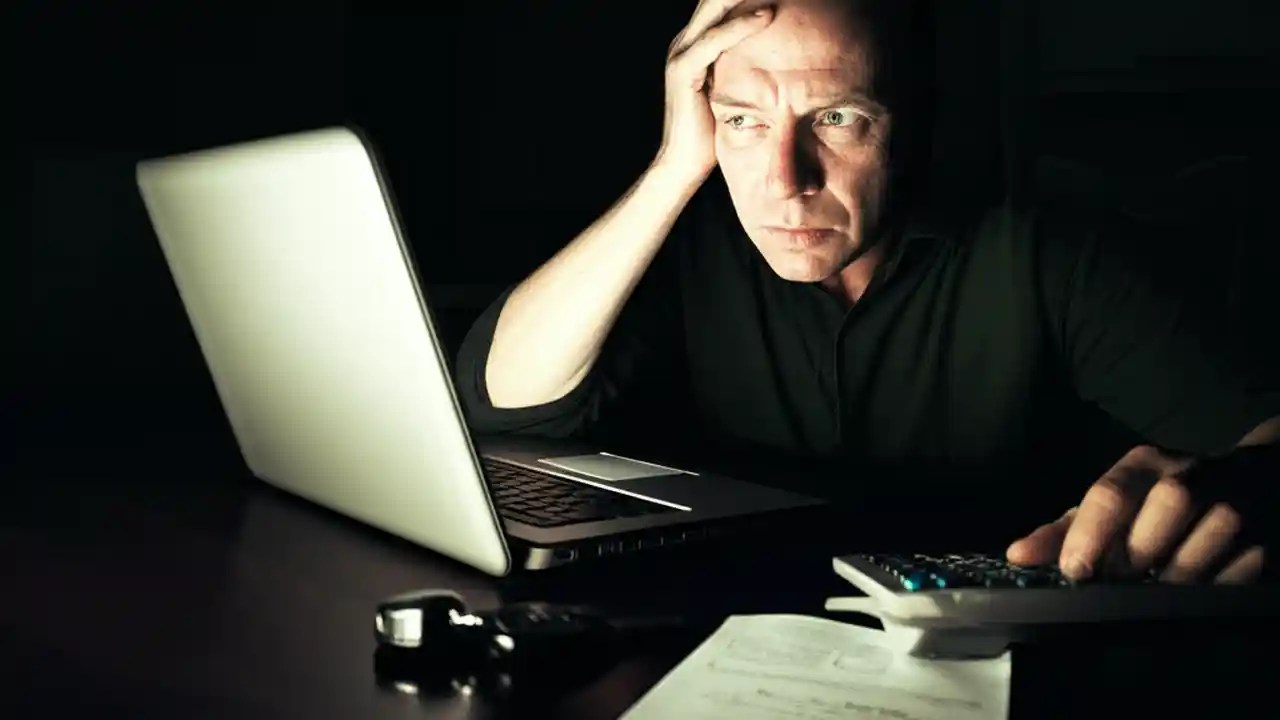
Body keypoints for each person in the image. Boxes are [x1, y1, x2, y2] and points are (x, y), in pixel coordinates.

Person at [454, 0, 1279, 583]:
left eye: (837, 118)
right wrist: (677, 166)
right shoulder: (686, 247)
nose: (786, 180)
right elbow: (505, 401)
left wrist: (1243, 488)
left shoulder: (1044, 249)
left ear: (912, 117)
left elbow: (1264, 431)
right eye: (744, 120)